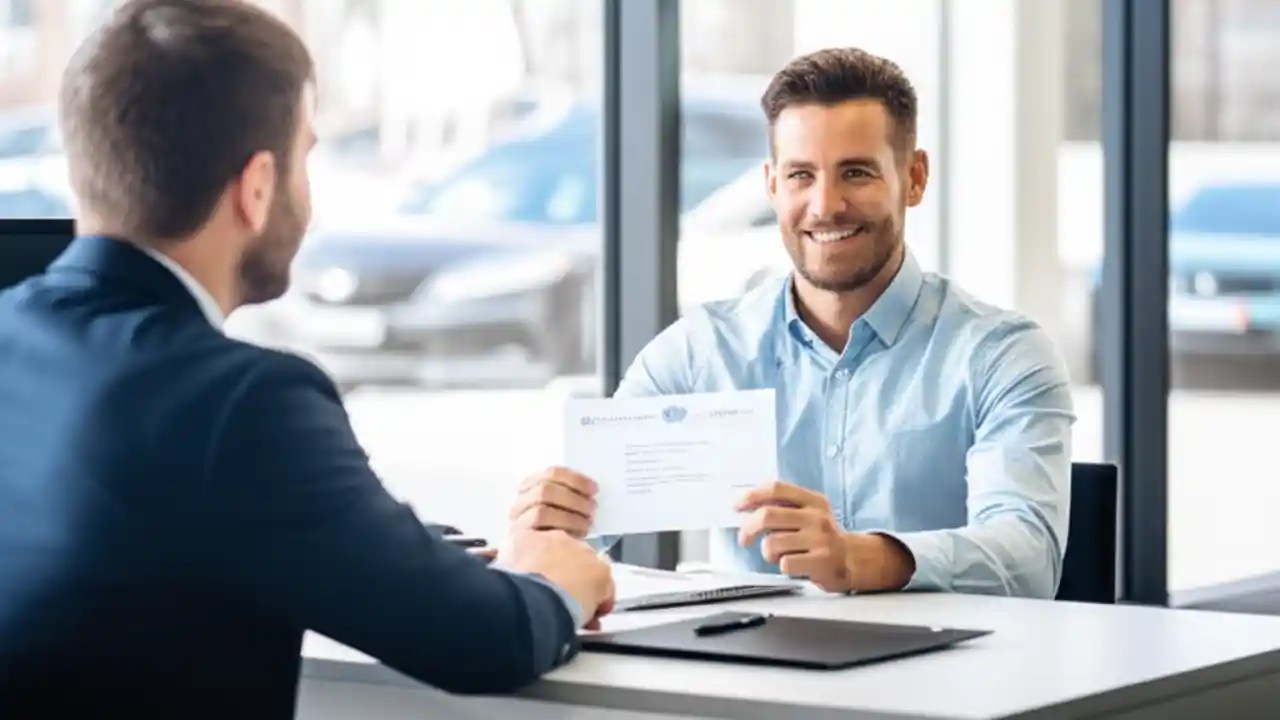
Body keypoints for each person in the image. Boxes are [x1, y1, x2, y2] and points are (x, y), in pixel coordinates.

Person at [0, 1, 612, 716]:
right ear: (257, 188)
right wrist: (554, 581)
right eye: (306, 158)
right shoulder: (241, 405)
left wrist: (390, 542)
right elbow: (482, 638)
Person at [513, 47, 1075, 599]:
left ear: (915, 177)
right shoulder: (699, 354)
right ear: (772, 184)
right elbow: (584, 522)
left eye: (855, 173)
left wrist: (859, 557)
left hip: (956, 679)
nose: (825, 205)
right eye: (801, 174)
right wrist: (550, 520)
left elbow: (1027, 559)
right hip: (757, 676)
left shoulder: (1003, 355)